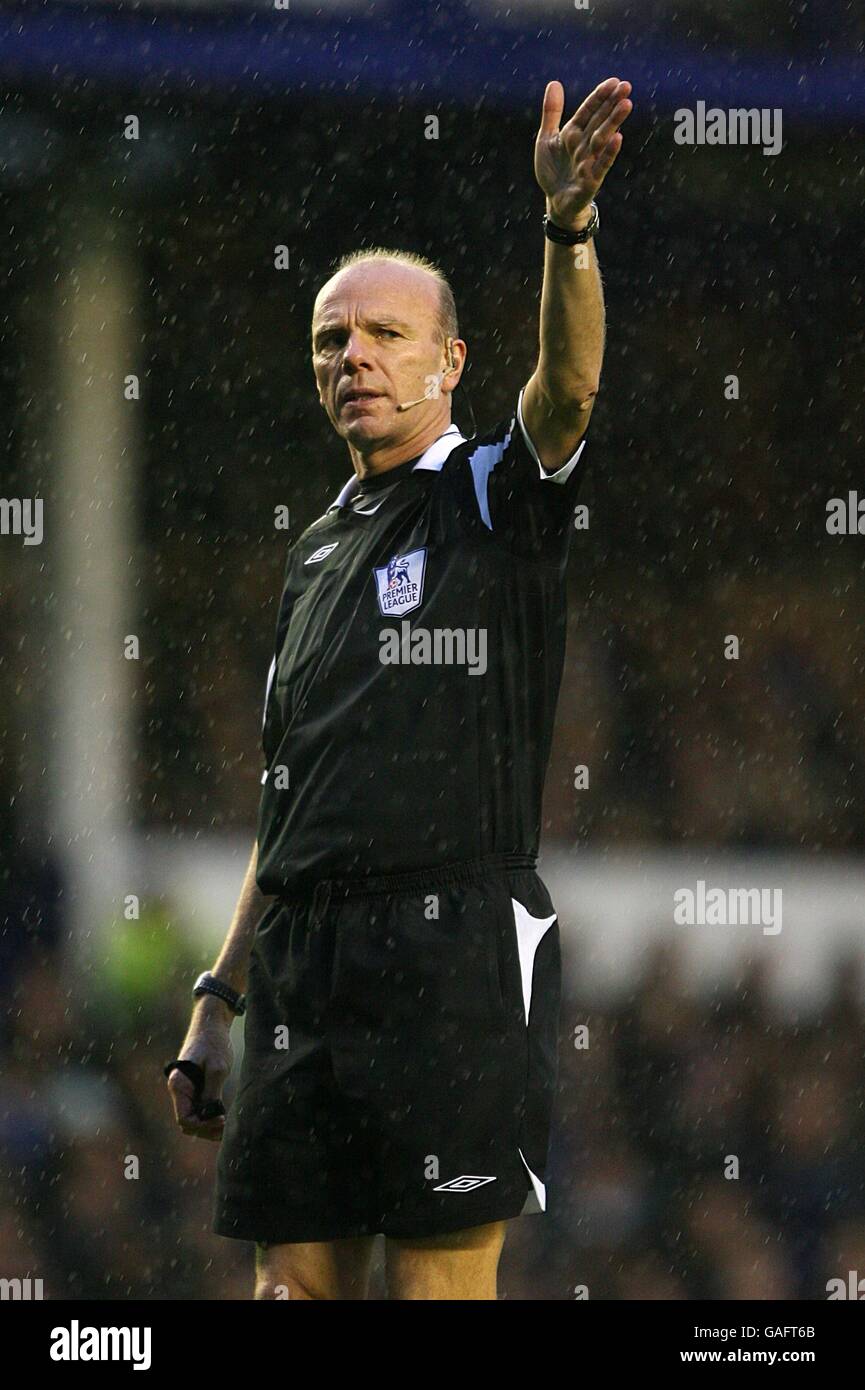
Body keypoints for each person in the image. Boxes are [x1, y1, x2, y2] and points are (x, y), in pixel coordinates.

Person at [166, 76, 632, 1300]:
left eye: (384, 335)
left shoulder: (488, 491)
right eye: (332, 338)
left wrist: (566, 227)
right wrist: (221, 995)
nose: (354, 357)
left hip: (450, 948)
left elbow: (571, 388)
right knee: (290, 1292)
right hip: (305, 965)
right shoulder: (314, 555)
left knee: (433, 1291)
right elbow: (289, 803)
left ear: (449, 361)